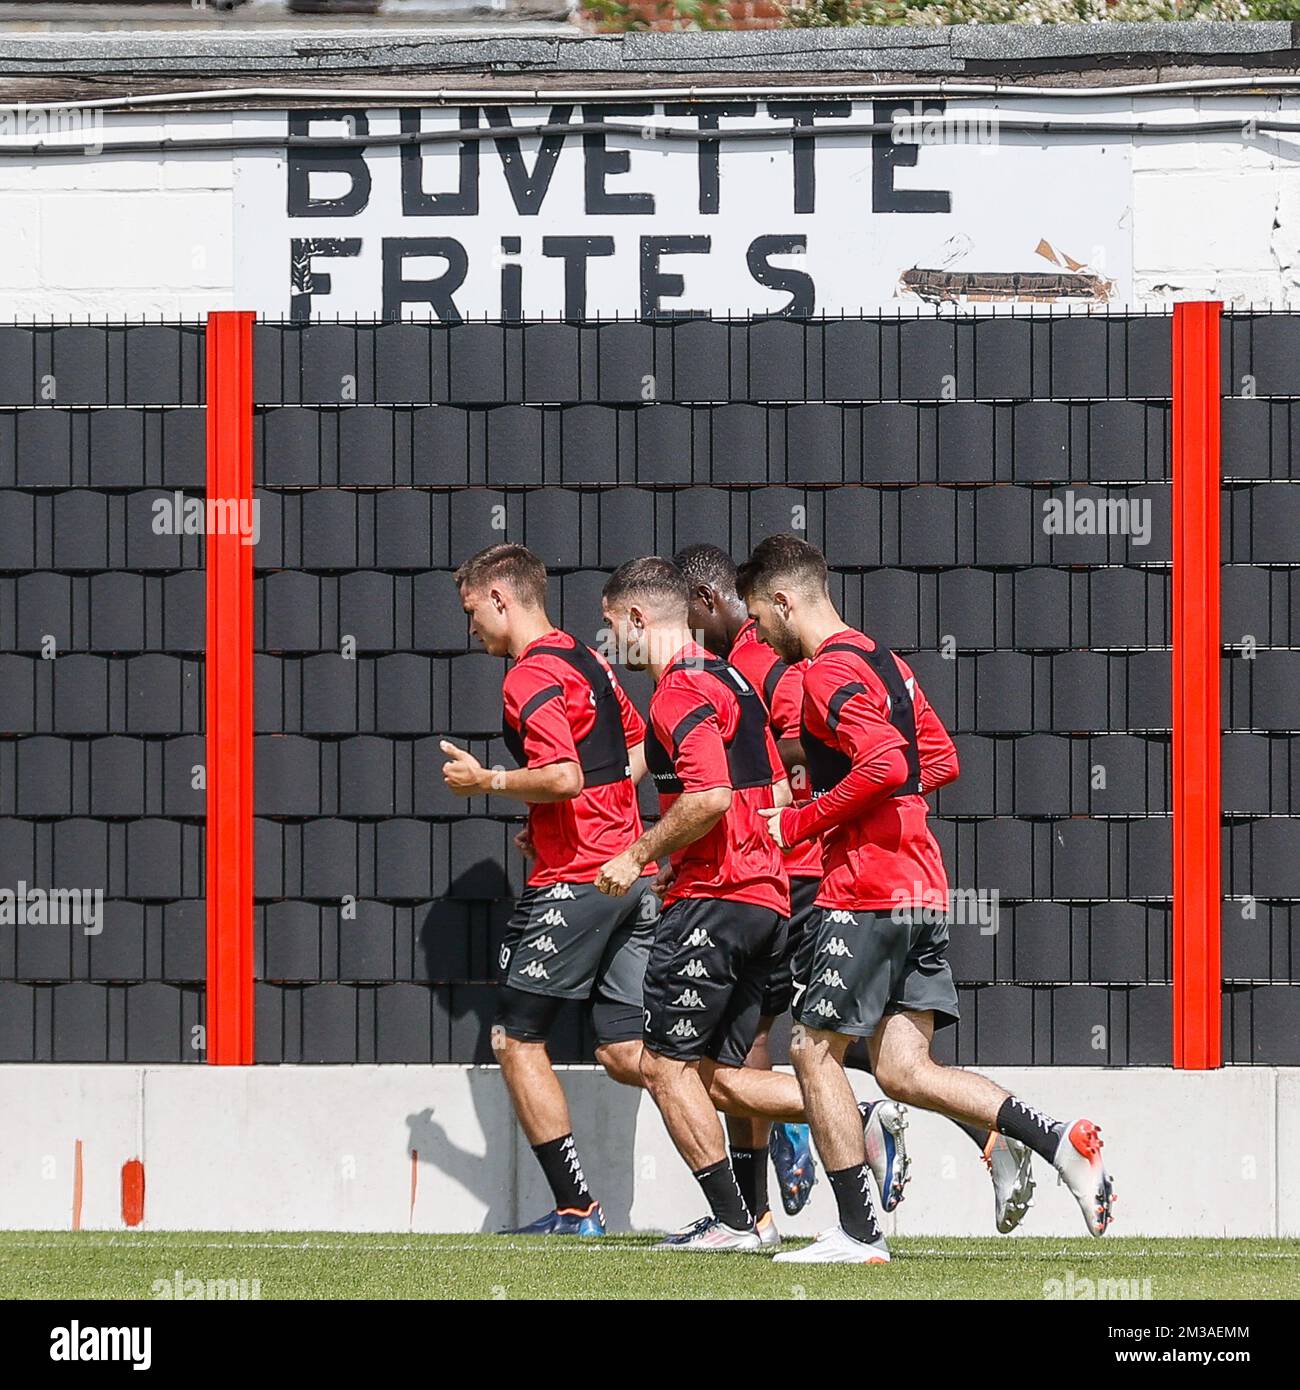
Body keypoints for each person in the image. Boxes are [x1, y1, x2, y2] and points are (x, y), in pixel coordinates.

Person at [741, 534, 1115, 1265]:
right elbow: (934, 759)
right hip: (919, 883)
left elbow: (886, 764)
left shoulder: (824, 673)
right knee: (904, 1073)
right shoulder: (888, 663)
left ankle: (859, 1233)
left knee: (811, 1050)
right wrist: (881, 806)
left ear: (784, 602)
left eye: (758, 618)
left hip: (867, 889)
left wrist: (805, 820)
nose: (758, 634)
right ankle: (1058, 1142)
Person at [675, 543, 909, 1223]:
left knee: (788, 1043)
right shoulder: (763, 660)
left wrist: (760, 769)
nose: (686, 635)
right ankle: (760, 1210)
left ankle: (805, 1173)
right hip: (789, 867)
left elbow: (835, 745)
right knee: (778, 1037)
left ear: (708, 602)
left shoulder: (763, 665)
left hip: (791, 870)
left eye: (688, 618)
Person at [595, 556, 811, 1252]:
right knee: (717, 1076)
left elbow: (711, 795)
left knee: (663, 1066)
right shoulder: (732, 679)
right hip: (766, 898)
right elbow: (772, 791)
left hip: (716, 901)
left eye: (611, 627)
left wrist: (637, 854)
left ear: (637, 619)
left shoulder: (677, 690)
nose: (611, 642)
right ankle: (858, 1118)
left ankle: (732, 1224)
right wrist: (682, 859)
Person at [442, 543, 659, 1237]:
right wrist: (556, 819)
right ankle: (793, 1110)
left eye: (473, 611)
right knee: (626, 1054)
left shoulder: (529, 674)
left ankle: (577, 1209)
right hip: (630, 873)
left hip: (577, 882)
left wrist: (490, 782)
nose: (471, 627)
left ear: (500, 598)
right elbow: (636, 751)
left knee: (514, 1039)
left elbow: (564, 774)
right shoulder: (587, 658)